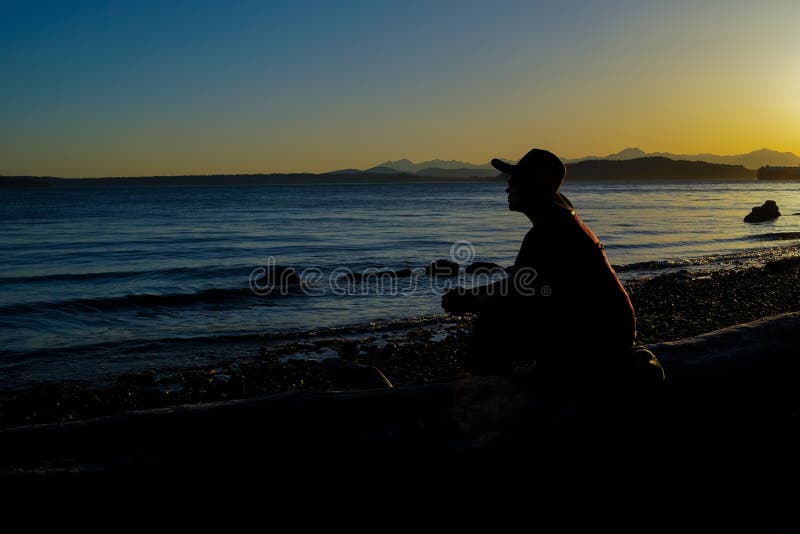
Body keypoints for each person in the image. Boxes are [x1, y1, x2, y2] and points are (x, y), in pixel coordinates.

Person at [442, 148, 661, 380]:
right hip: (610, 330)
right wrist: (471, 294)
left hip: (602, 338)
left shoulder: (549, 232)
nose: (507, 188)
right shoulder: (560, 222)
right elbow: (519, 283)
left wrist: (470, 301)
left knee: (493, 318)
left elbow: (515, 292)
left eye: (514, 182)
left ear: (533, 187)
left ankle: (490, 389)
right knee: (502, 312)